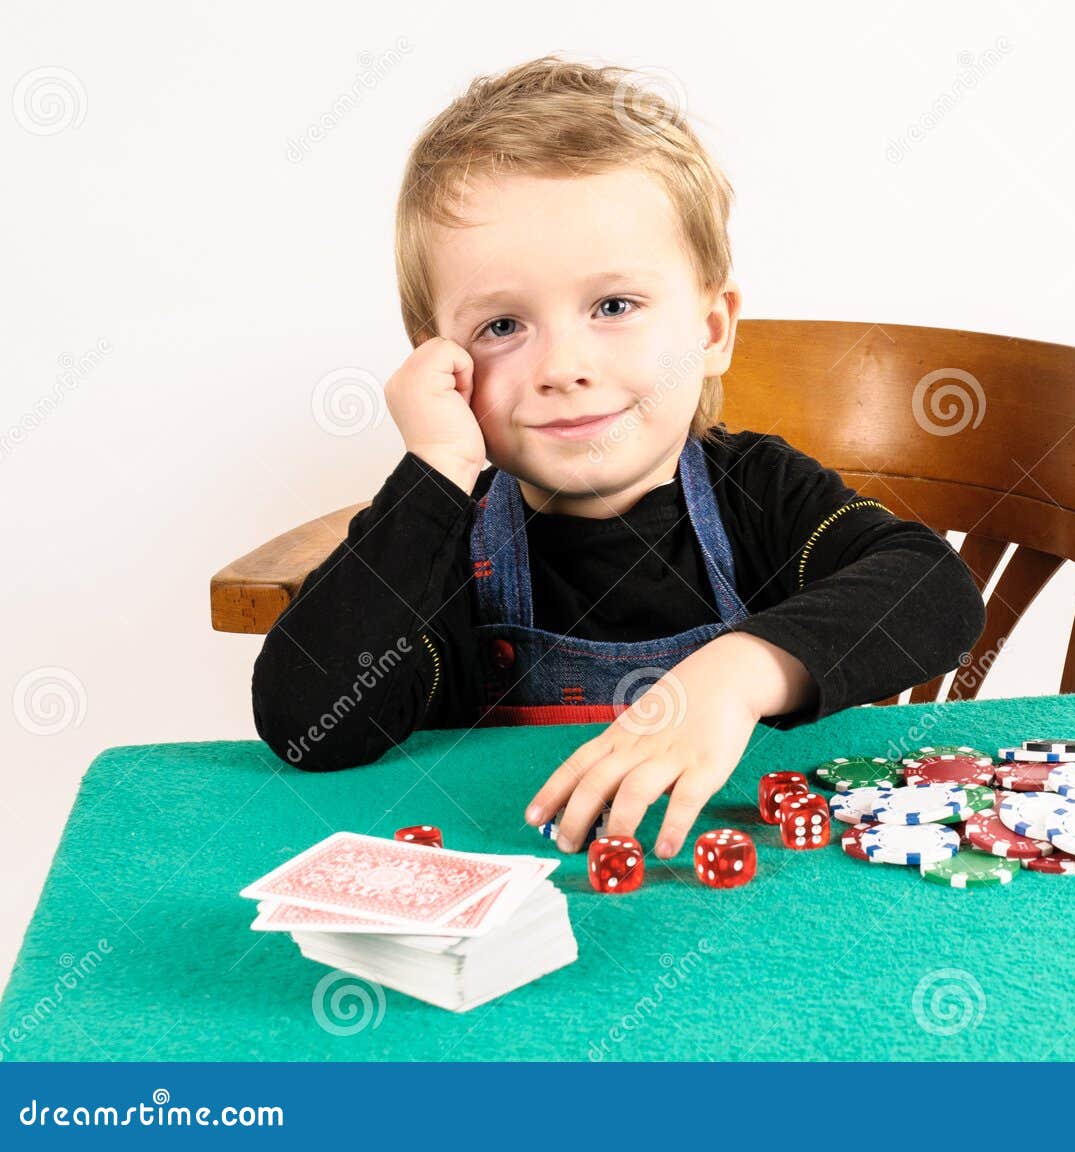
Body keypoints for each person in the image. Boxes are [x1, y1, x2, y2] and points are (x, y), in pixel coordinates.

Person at [252, 54, 987, 861]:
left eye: (613, 306)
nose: (563, 366)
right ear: (440, 363)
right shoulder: (444, 543)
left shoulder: (757, 493)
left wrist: (736, 675)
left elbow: (936, 590)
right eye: (502, 325)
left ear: (710, 333)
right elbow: (305, 722)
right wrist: (434, 465)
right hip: (529, 895)